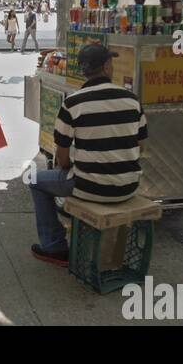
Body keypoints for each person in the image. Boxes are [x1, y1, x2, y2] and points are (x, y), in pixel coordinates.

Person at [26, 44, 148, 266]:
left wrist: (70, 167)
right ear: (106, 67)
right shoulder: (132, 100)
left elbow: (61, 154)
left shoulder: (73, 103)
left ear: (83, 71)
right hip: (129, 185)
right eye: (111, 63)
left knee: (34, 180)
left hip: (89, 187)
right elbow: (141, 147)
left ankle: (54, 246)